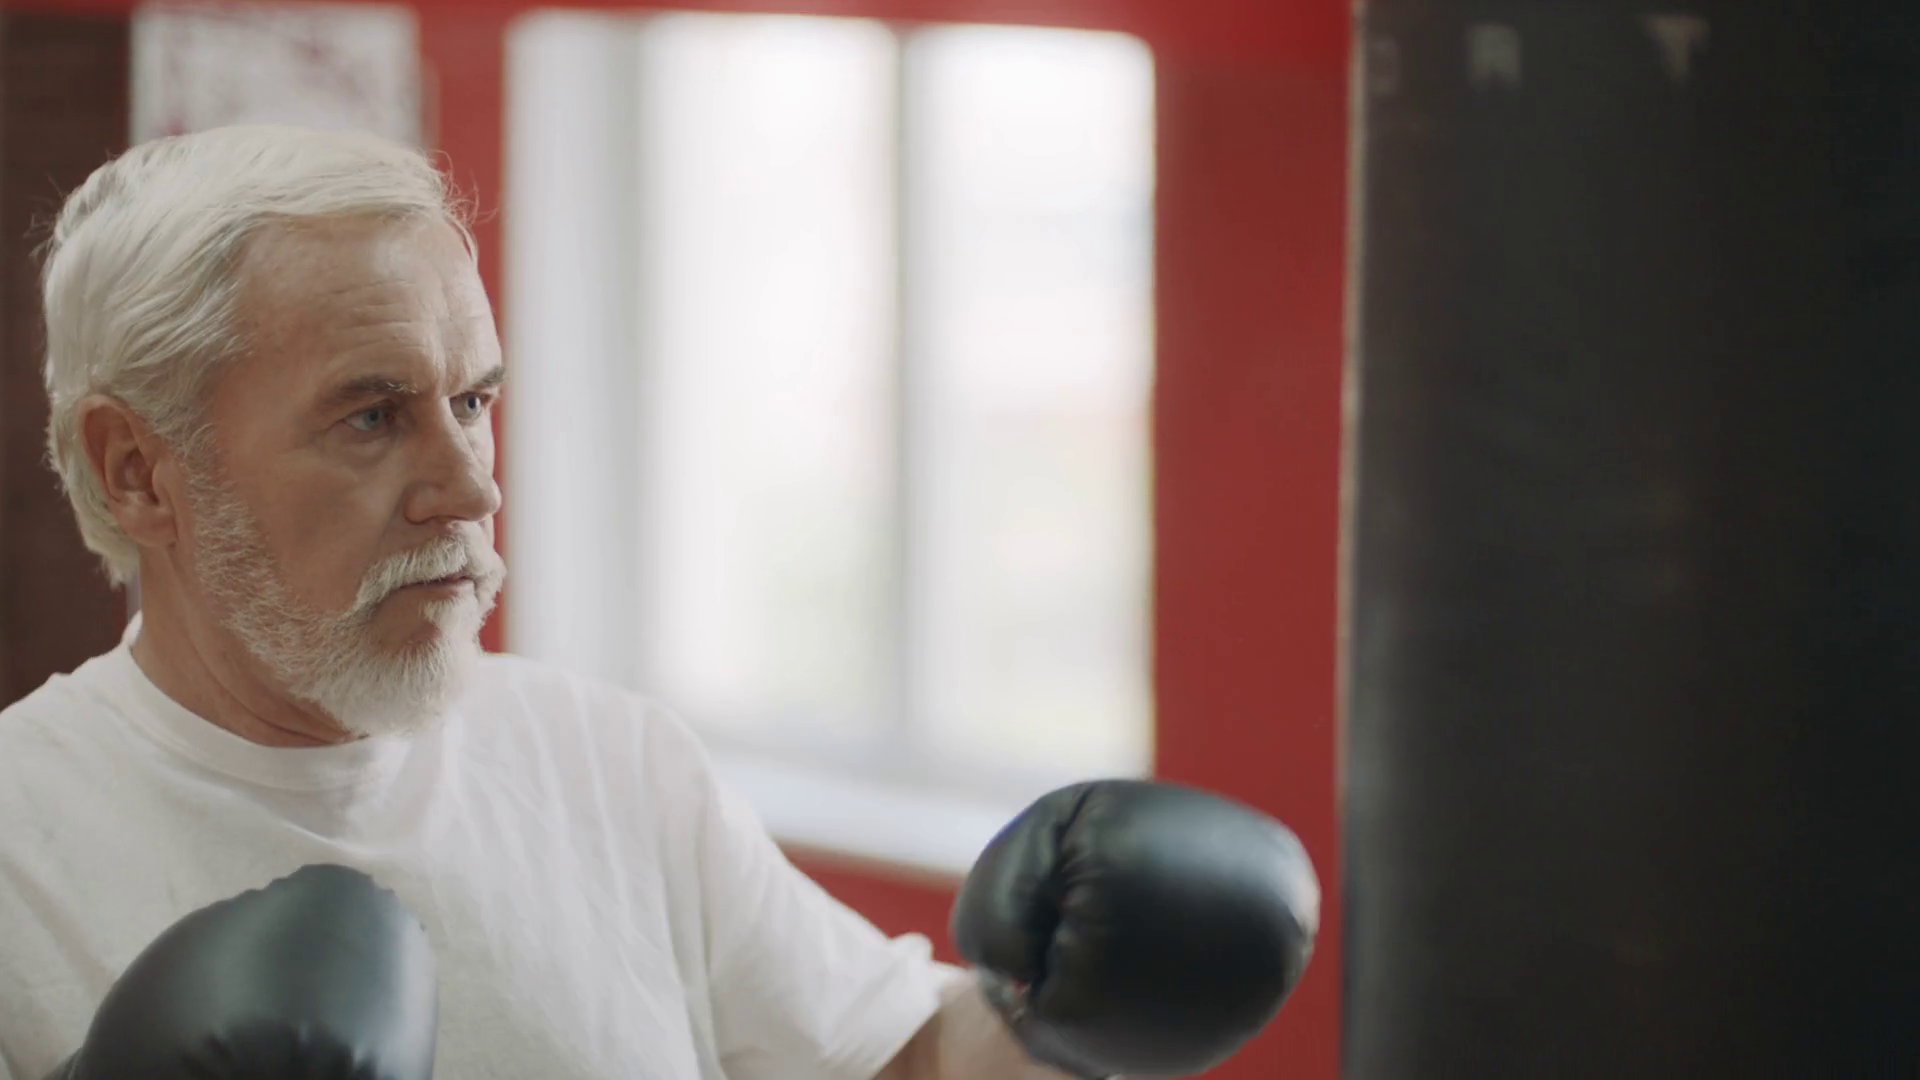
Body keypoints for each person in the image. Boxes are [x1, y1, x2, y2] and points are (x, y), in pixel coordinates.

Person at [0, 125, 1316, 1080]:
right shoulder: (20, 851)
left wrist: (1068, 1015)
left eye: (472, 402)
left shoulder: (607, 761)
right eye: (370, 416)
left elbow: (898, 1057)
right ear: (140, 472)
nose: (467, 488)